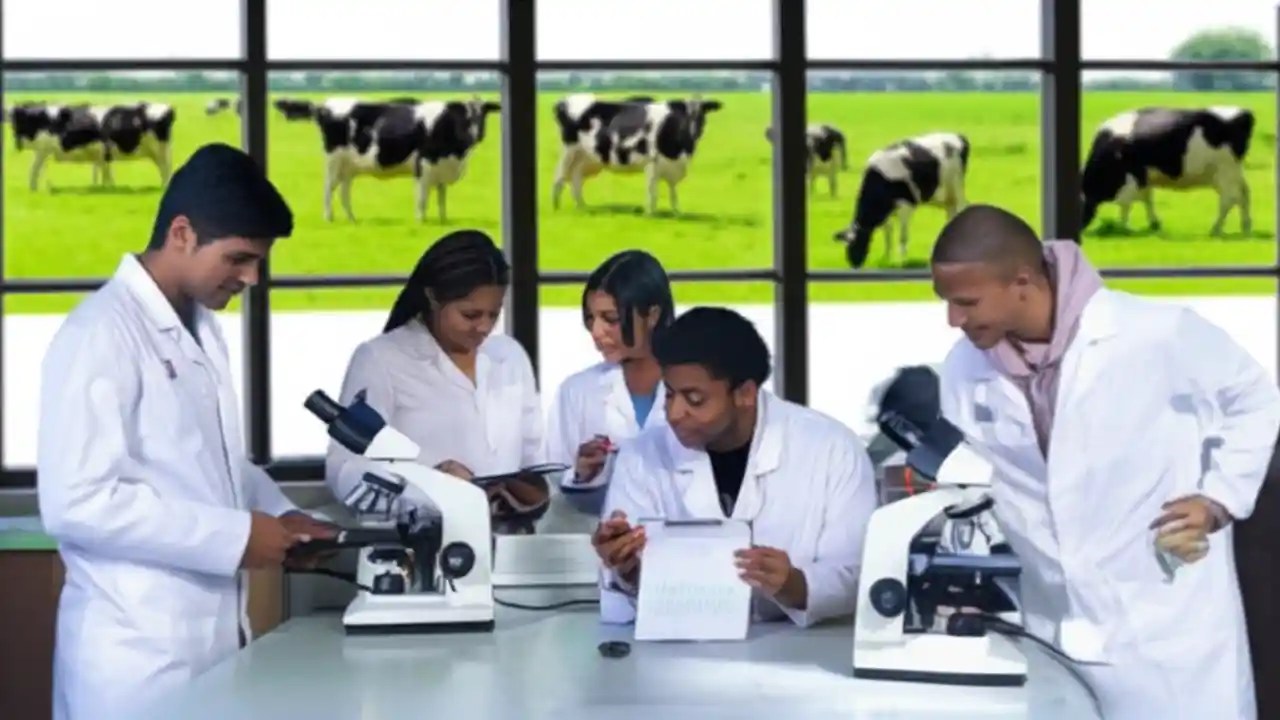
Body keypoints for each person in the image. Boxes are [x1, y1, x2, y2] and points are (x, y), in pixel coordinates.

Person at [928, 203, 1280, 720]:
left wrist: (1220, 498)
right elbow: (981, 477)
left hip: (1167, 629)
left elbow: (1254, 396)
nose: (953, 320)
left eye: (966, 302)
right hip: (1054, 627)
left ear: (1022, 282)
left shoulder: (1153, 333)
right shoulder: (964, 369)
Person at [35, 143, 337, 720]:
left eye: (259, 262)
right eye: (239, 258)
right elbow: (76, 502)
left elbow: (216, 461)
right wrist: (236, 537)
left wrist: (278, 518)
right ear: (182, 233)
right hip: (137, 663)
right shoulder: (99, 334)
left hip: (212, 652)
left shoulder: (200, 327)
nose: (251, 277)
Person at [592, 306, 878, 627]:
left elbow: (857, 573)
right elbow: (628, 593)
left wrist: (795, 585)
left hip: (800, 652)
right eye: (669, 395)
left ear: (745, 394)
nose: (674, 413)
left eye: (695, 399)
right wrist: (626, 568)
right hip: (681, 654)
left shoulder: (832, 449)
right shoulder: (642, 455)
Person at [325, 230, 550, 535]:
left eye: (493, 314)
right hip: (420, 545)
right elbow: (346, 470)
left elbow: (534, 458)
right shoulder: (381, 359)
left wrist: (530, 491)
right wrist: (431, 487)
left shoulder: (509, 356)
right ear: (432, 297)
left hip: (506, 544)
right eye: (470, 315)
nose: (483, 327)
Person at [542, 250, 675, 530]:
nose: (597, 331)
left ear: (652, 315)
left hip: (683, 549)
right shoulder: (577, 392)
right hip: (600, 549)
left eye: (611, 318)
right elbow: (551, 484)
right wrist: (581, 475)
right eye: (591, 319)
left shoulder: (695, 385)